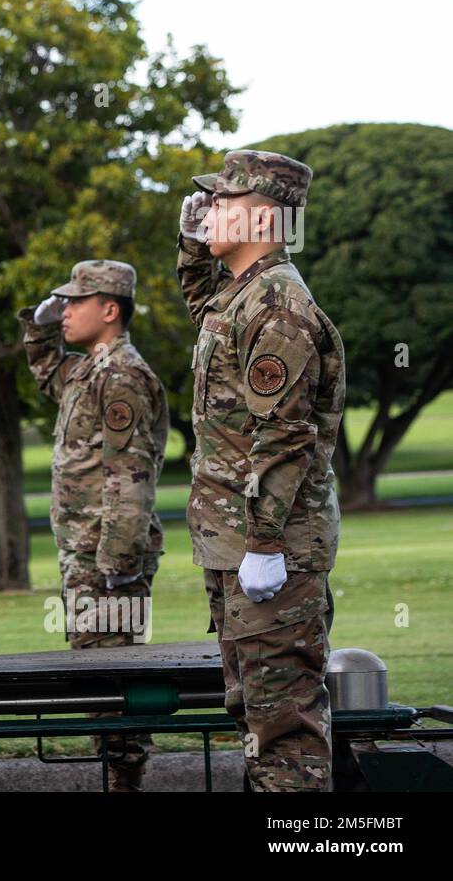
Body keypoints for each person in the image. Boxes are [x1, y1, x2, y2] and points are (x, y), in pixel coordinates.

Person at [176, 150, 345, 791]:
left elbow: (283, 435)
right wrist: (193, 248)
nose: (210, 210)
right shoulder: (243, 296)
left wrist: (266, 544)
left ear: (264, 217)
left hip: (267, 548)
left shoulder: (279, 307)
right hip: (236, 547)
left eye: (223, 202)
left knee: (284, 735)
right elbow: (205, 317)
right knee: (253, 716)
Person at [18, 260, 169, 791]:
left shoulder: (121, 375)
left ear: (109, 310)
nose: (64, 312)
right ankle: (117, 777)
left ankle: (123, 782)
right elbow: (44, 372)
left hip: (106, 559)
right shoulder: (88, 371)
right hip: (87, 554)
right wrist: (36, 329)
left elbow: (131, 476)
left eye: (74, 303)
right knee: (98, 674)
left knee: (111, 678)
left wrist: (118, 563)